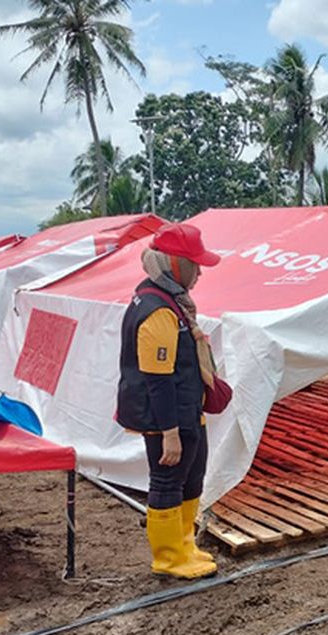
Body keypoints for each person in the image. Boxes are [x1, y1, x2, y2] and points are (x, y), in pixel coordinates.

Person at [116, 223, 222, 579]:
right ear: (176, 265)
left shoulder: (172, 303)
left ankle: (185, 546)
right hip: (167, 416)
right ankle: (167, 558)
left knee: (192, 478)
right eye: (195, 264)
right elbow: (157, 380)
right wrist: (170, 434)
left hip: (187, 408)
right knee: (167, 482)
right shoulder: (156, 310)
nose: (201, 273)